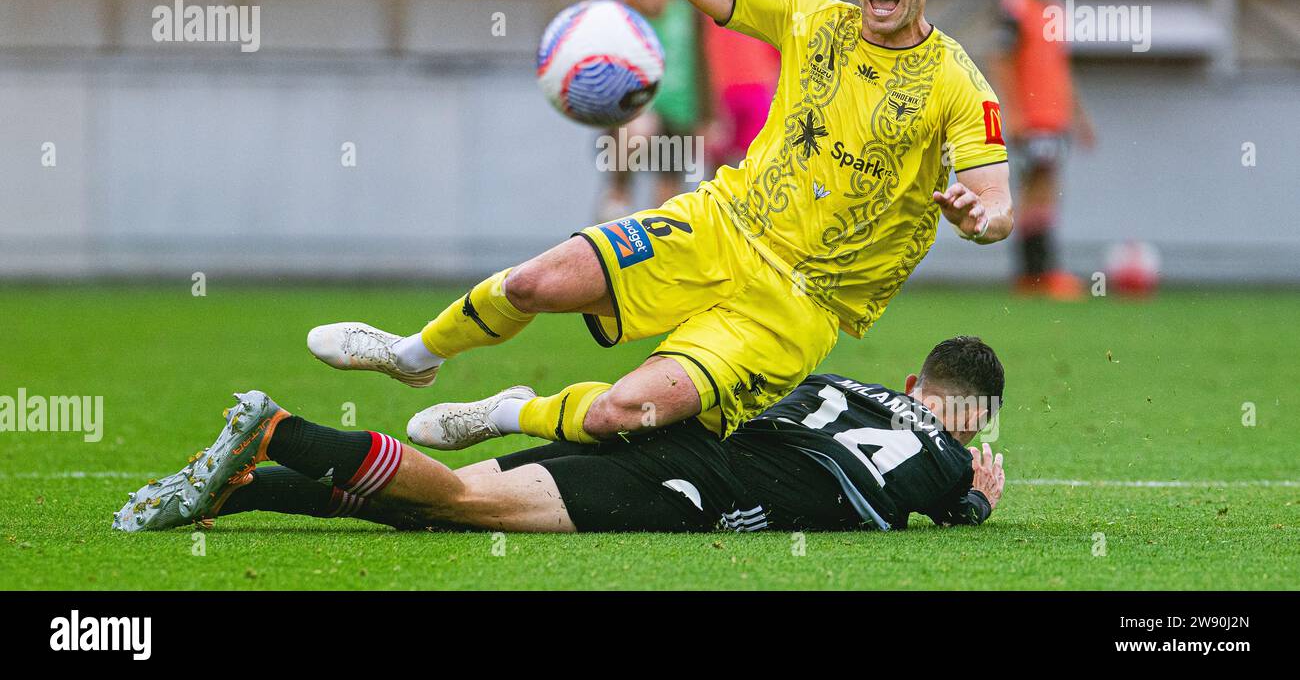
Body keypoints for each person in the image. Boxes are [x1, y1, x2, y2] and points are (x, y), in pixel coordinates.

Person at [303, 0, 1014, 454]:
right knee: (533, 284)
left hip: (799, 303)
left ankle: (509, 410)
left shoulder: (958, 83)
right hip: (721, 224)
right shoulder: (809, 17)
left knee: (626, 412)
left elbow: (997, 206)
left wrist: (979, 220)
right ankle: (411, 354)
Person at [114, 336, 1006, 535]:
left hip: (678, 437)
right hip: (696, 490)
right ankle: (282, 431)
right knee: (464, 502)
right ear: (974, 416)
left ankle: (248, 485)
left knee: (443, 510)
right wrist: (974, 494)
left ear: (915, 385)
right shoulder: (947, 458)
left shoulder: (835, 380)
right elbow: (953, 516)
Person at [992, 0, 1095, 299]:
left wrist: (1080, 117)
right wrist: (1015, 112)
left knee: (1047, 191)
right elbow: (1002, 60)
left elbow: (1060, 69)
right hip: (1032, 117)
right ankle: (1035, 273)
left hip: (1055, 117)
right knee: (1034, 189)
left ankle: (1038, 274)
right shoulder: (1015, 7)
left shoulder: (1054, 11)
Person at [597, 0, 710, 221]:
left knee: (669, 195)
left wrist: (708, 115)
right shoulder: (624, 21)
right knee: (636, 130)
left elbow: (702, 62)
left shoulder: (686, 12)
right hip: (640, 111)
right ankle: (616, 199)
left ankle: (661, 243)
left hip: (681, 112)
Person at [702, 0, 783, 167]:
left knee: (757, 166)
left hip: (759, 84)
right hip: (721, 88)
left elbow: (780, 25)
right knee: (717, 170)